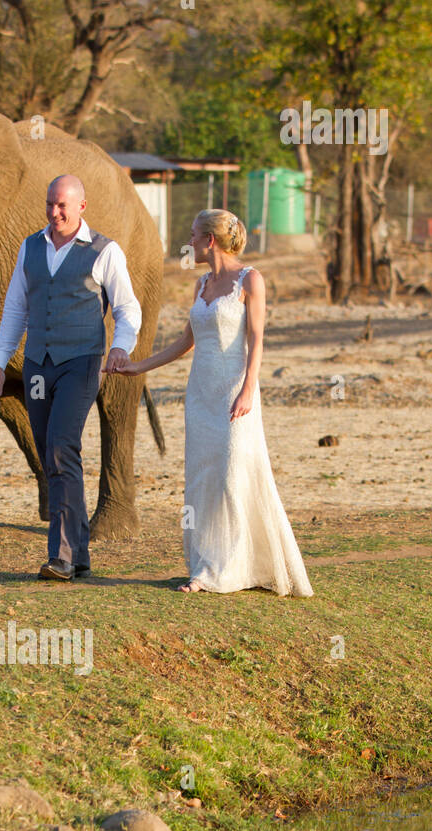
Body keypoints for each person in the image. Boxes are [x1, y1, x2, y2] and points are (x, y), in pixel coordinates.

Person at [107, 209, 313, 597]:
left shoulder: (250, 279)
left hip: (235, 391)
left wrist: (249, 388)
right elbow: (185, 342)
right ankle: (206, 567)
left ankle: (239, 566)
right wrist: (139, 367)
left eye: (193, 235)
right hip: (200, 395)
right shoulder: (202, 283)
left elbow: (256, 339)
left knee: (233, 475)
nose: (190, 242)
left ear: (210, 241)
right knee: (204, 479)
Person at [0, 175, 142, 581]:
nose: (55, 212)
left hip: (82, 362)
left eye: (63, 206)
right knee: (50, 454)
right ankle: (80, 552)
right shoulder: (30, 246)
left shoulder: (104, 251)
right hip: (38, 364)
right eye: (50, 204)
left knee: (60, 447)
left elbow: (128, 309)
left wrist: (121, 346)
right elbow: (15, 310)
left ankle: (62, 555)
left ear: (81, 207)